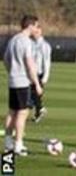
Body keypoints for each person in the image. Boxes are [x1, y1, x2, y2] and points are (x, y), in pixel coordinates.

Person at [3, 15, 44, 156]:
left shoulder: (13, 39)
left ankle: (8, 143)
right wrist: (37, 84)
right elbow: (29, 63)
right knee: (22, 113)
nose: (37, 29)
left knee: (12, 111)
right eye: (36, 26)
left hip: (13, 80)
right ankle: (18, 145)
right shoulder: (26, 42)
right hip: (22, 82)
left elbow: (6, 59)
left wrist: (12, 72)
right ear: (30, 26)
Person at [30, 27, 51, 123]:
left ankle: (40, 109)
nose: (35, 33)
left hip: (39, 73)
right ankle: (39, 110)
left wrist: (45, 77)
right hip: (30, 73)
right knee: (32, 94)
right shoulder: (30, 43)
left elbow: (46, 62)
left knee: (35, 94)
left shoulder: (44, 45)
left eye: (37, 32)